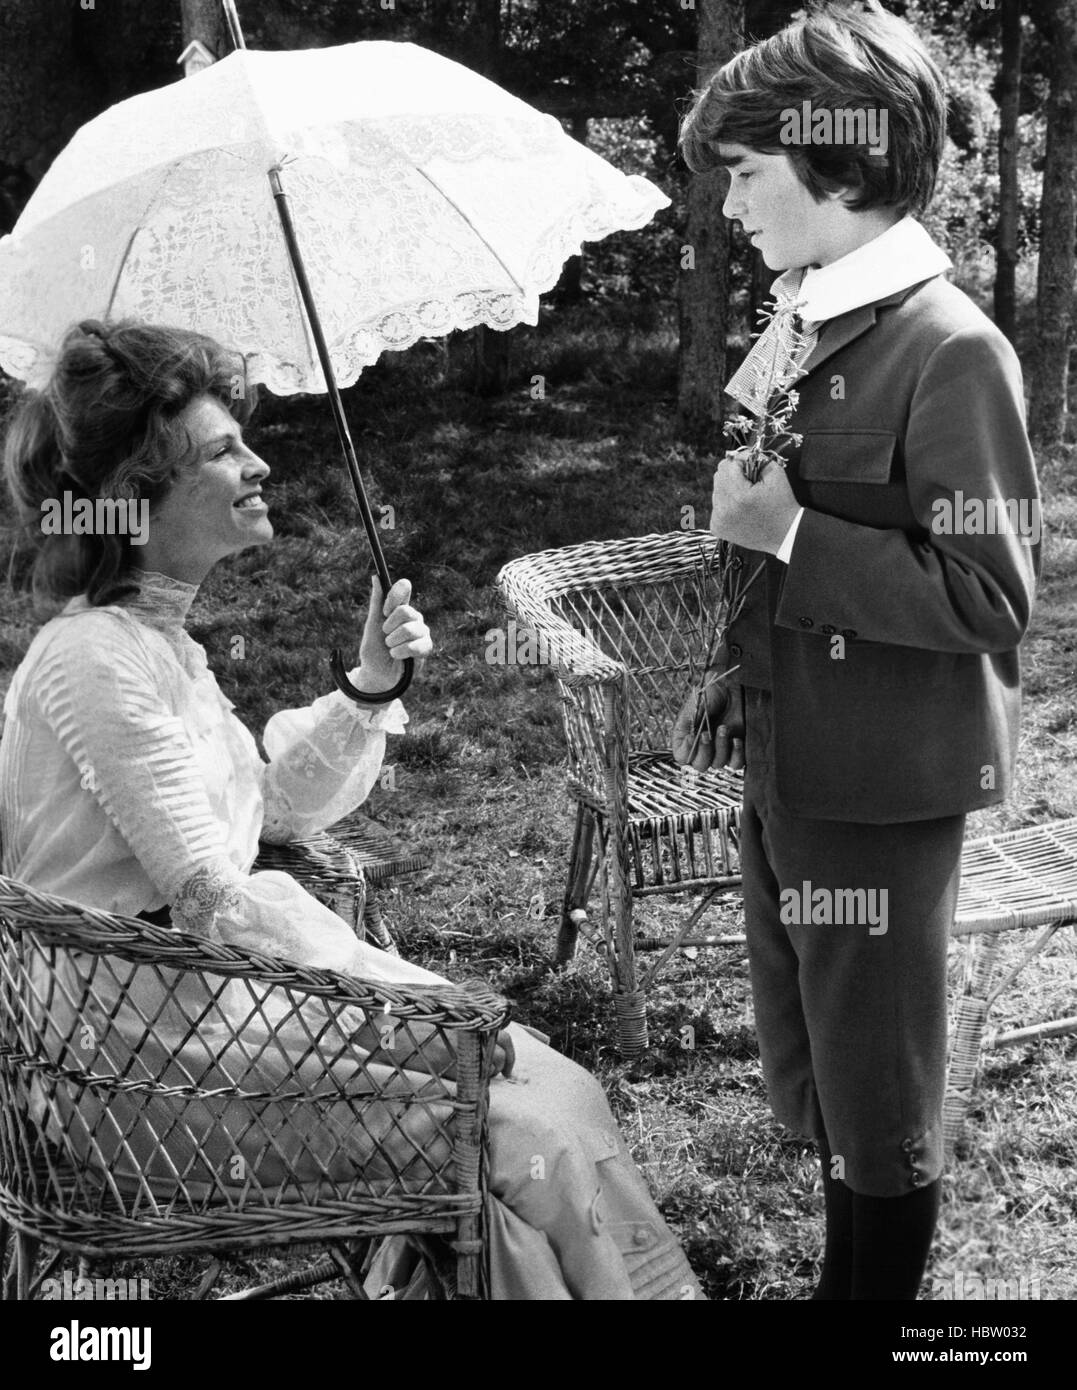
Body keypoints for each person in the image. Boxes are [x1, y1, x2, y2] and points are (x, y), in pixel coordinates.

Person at [0, 318, 704, 1301]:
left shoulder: (157, 649)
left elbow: (269, 809)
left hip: (208, 1022)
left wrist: (370, 685)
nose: (256, 463)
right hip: (134, 1077)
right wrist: (411, 1013)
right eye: (220, 451)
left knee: (559, 1088)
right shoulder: (94, 662)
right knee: (520, 1135)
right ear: (137, 500)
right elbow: (215, 895)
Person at [673, 0, 1039, 1300]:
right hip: (788, 767)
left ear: (839, 163)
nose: (728, 209)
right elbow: (752, 536)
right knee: (820, 1063)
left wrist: (793, 534)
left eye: (746, 175)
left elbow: (991, 597)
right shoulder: (798, 322)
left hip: (878, 792)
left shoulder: (953, 354)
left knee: (878, 1087)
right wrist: (735, 664)